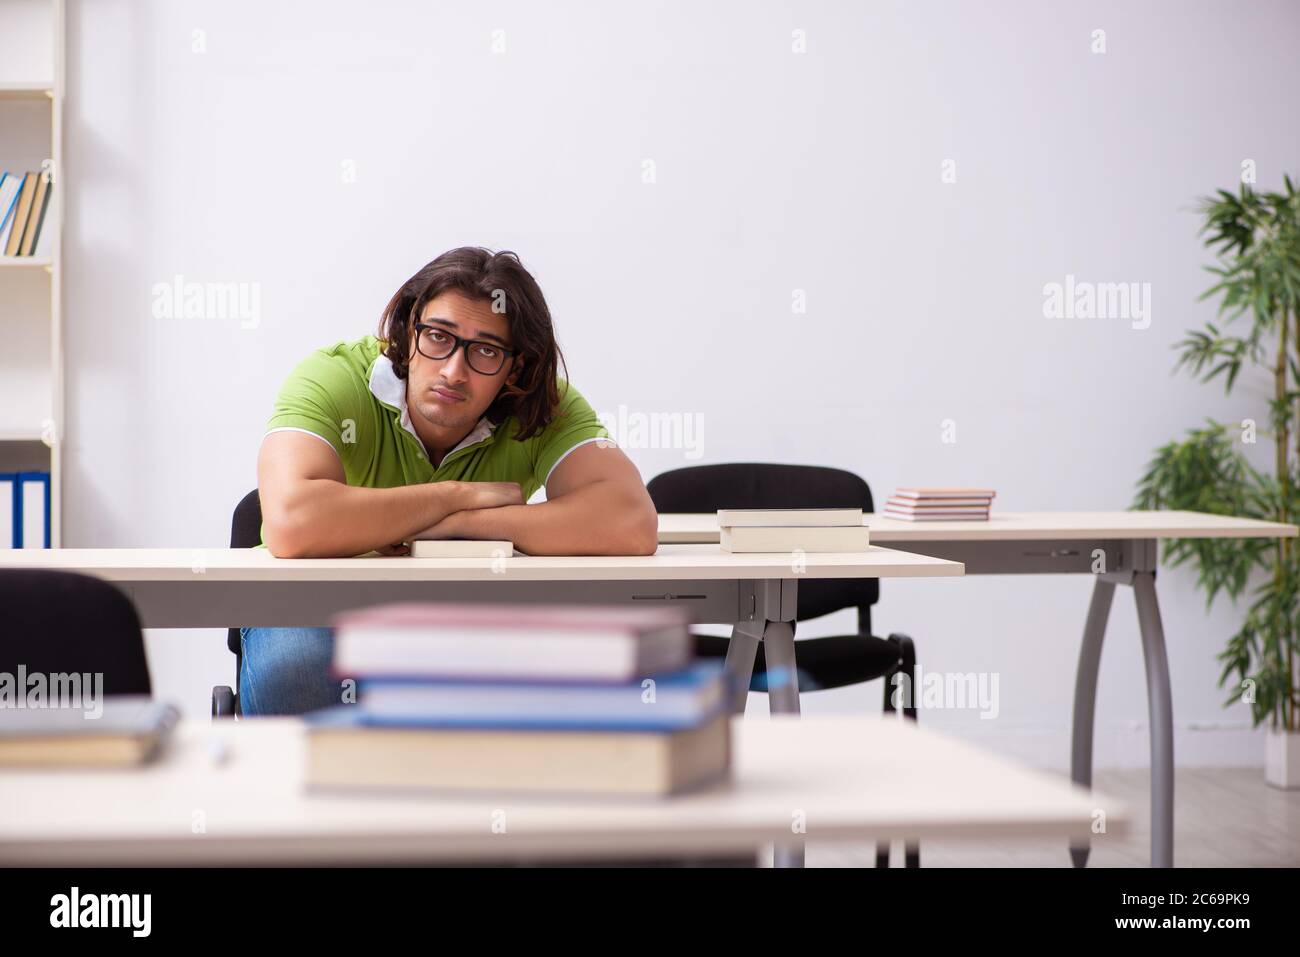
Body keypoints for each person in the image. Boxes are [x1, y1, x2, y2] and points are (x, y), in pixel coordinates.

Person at [241, 247, 658, 715]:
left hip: (466, 610)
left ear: (514, 368)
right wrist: (452, 496)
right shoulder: (332, 376)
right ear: (408, 328)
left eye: (485, 350)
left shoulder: (540, 406)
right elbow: (294, 523)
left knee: (577, 677)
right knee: (300, 671)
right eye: (438, 337)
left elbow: (630, 521)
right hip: (312, 605)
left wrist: (456, 523)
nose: (453, 372)